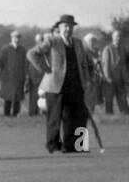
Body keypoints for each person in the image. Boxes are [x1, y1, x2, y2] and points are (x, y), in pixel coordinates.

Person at [27, 14, 93, 154]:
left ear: (73, 28)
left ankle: (76, 146)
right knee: (54, 118)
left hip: (76, 86)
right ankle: (53, 146)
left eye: (70, 26)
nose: (67, 29)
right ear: (60, 27)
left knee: (78, 116)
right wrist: (45, 68)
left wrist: (87, 78)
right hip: (56, 86)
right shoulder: (52, 41)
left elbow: (86, 63)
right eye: (65, 26)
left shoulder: (78, 43)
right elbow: (32, 54)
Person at [0, 31, 29, 118]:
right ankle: (6, 114)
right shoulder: (6, 49)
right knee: (8, 96)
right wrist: (2, 75)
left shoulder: (23, 50)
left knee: (17, 96)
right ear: (11, 38)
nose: (16, 39)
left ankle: (15, 113)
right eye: (14, 37)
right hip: (8, 77)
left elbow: (25, 64)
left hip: (19, 76)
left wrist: (25, 75)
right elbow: (1, 63)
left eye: (18, 37)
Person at [100, 29, 129, 115]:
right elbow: (105, 65)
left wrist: (126, 77)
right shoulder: (107, 49)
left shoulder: (123, 49)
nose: (119, 38)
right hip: (110, 79)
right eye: (117, 36)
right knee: (109, 99)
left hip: (120, 78)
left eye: (120, 36)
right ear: (113, 37)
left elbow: (124, 64)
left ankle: (125, 115)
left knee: (123, 99)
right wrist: (108, 77)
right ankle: (109, 117)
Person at [26, 32, 47, 117]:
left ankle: (44, 113)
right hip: (34, 78)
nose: (40, 42)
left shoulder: (46, 52)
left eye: (42, 40)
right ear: (36, 41)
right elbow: (27, 66)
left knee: (45, 97)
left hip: (44, 78)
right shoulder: (32, 52)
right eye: (39, 40)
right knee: (33, 97)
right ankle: (32, 113)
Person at [81, 33, 104, 112]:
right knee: (89, 98)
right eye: (91, 41)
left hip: (96, 77)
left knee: (95, 99)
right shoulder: (84, 51)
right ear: (87, 42)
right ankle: (87, 114)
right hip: (88, 77)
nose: (93, 42)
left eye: (94, 40)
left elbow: (101, 63)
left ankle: (91, 114)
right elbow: (84, 64)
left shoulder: (97, 51)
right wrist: (94, 61)